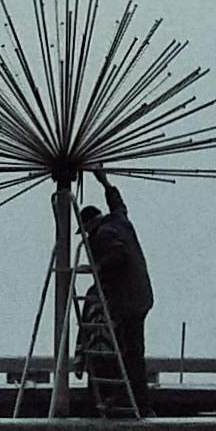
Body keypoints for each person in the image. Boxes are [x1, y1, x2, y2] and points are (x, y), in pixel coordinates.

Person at [77, 172, 153, 411]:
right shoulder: (118, 220)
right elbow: (118, 203)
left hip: (127, 301)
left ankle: (128, 398)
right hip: (142, 296)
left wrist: (96, 267)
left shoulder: (103, 233)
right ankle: (139, 402)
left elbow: (119, 255)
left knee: (128, 352)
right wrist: (104, 180)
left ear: (89, 224)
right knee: (134, 351)